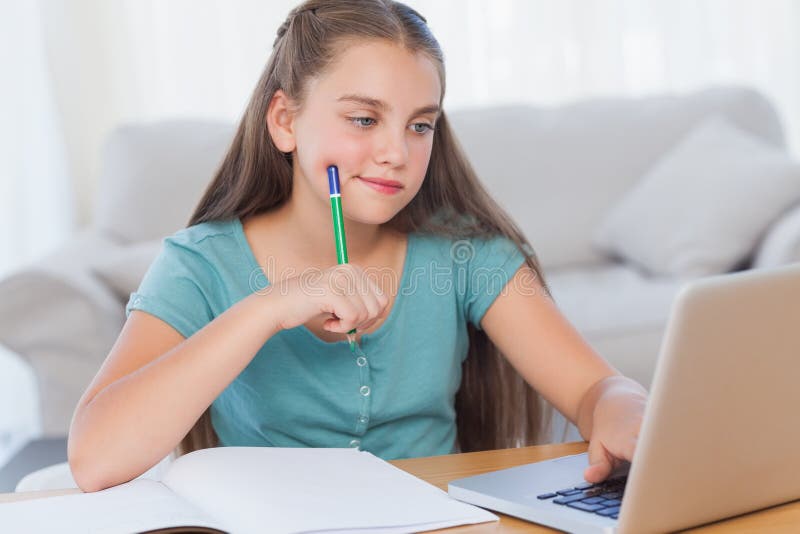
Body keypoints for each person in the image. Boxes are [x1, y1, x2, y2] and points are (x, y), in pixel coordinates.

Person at [68, 0, 647, 493]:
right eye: (365, 119)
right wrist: (271, 306)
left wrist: (622, 404)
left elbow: (596, 387)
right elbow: (95, 457)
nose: (396, 151)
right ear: (284, 121)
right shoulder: (199, 265)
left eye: (420, 125)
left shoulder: (468, 255)